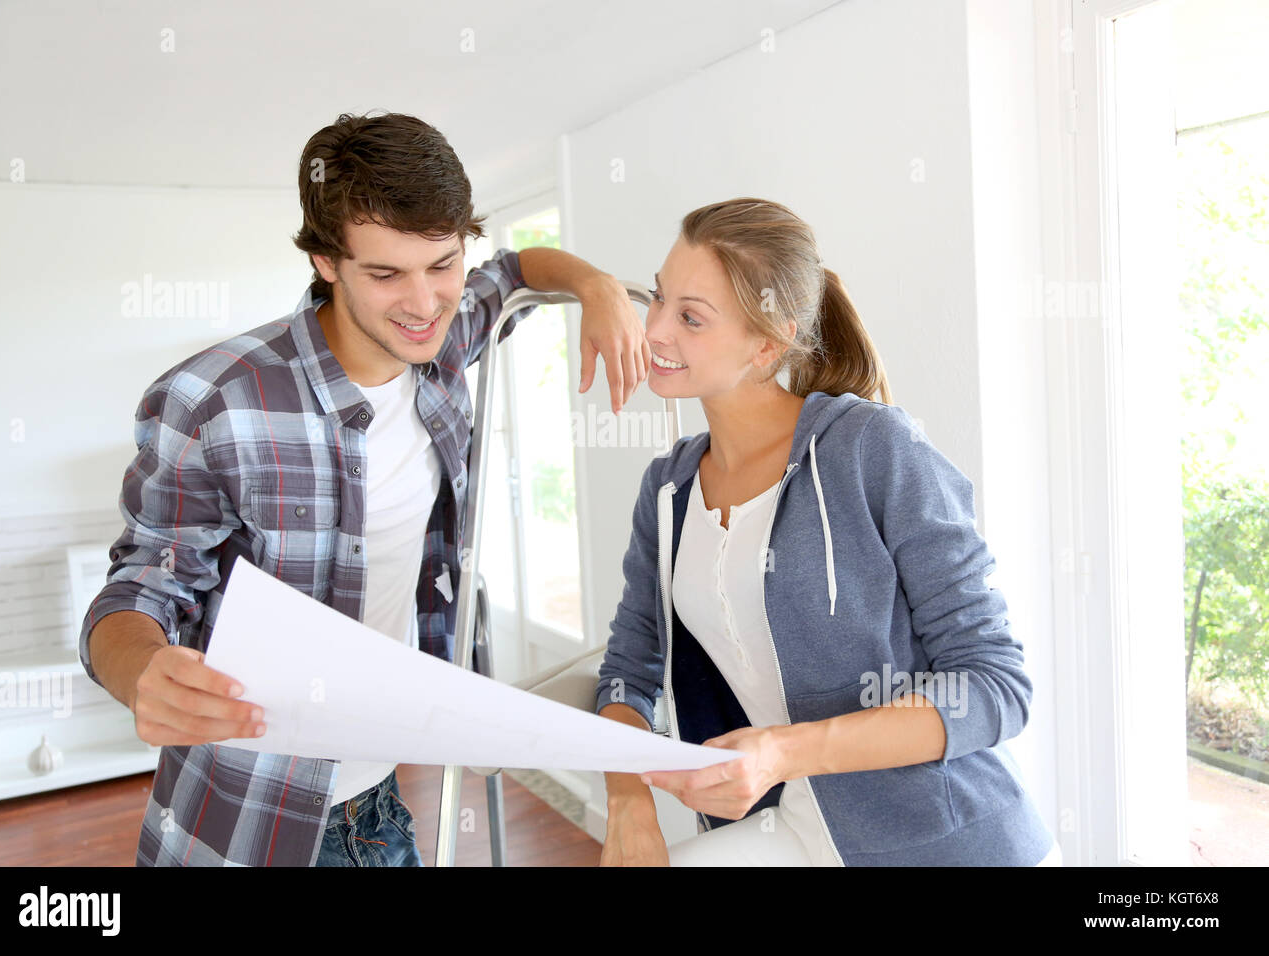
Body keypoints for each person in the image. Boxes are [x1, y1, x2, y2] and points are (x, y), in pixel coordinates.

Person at [78, 112, 650, 867]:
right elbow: (138, 588)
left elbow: (513, 270)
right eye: (385, 275)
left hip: (378, 801)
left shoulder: (443, 342)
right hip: (247, 818)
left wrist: (594, 285)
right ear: (325, 260)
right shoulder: (214, 400)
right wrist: (140, 671)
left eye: (443, 264)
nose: (423, 302)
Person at [595, 197, 1059, 866]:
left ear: (768, 343)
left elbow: (995, 685)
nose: (655, 331)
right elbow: (628, 670)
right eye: (660, 299)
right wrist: (627, 803)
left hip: (947, 841)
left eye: (691, 317)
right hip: (801, 827)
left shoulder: (874, 451)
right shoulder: (667, 490)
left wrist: (784, 752)